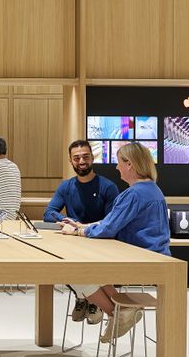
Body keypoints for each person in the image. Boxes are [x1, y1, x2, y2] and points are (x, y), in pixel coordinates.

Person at [60, 141, 171, 343]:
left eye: (119, 162)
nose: (116, 167)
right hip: (155, 256)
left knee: (73, 272)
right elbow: (112, 221)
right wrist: (82, 227)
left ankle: (115, 313)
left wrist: (77, 232)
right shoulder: (152, 190)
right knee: (86, 268)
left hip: (139, 258)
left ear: (129, 164)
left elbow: (108, 228)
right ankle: (122, 310)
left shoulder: (134, 194)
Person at [45, 140, 119, 325]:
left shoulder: (108, 187)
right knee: (57, 261)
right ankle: (84, 296)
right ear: (71, 161)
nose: (81, 161)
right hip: (73, 242)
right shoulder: (66, 186)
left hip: (101, 242)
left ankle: (91, 299)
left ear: (92, 157)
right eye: (76, 158)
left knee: (82, 266)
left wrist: (83, 227)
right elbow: (49, 213)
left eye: (85, 157)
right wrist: (68, 223)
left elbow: (112, 221)